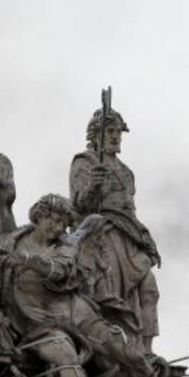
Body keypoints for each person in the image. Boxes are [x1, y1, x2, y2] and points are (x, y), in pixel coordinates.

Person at [0, 194, 189, 377]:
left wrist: (28, 260)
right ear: (39, 215)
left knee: (129, 352)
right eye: (54, 220)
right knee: (65, 357)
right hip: (38, 321)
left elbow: (59, 270)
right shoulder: (11, 241)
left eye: (62, 224)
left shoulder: (66, 245)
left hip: (75, 311)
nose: (57, 228)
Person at [68, 108, 161, 353]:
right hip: (102, 235)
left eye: (118, 132)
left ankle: (146, 350)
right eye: (110, 131)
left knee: (149, 288)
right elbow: (79, 206)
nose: (115, 136)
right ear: (95, 134)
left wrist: (145, 239)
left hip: (128, 237)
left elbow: (130, 211)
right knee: (112, 294)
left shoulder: (126, 172)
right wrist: (92, 186)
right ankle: (115, 347)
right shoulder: (85, 162)